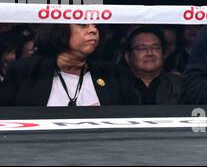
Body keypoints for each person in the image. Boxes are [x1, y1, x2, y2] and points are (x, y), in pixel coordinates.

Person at [0, 23, 139, 106]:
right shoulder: (23, 71)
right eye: (83, 24)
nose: (93, 30)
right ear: (60, 29)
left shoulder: (117, 75)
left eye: (95, 25)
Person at [122, 26, 183, 105]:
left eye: (156, 47)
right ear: (128, 57)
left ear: (163, 54)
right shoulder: (117, 86)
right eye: (142, 48)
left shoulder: (180, 84)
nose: (150, 53)